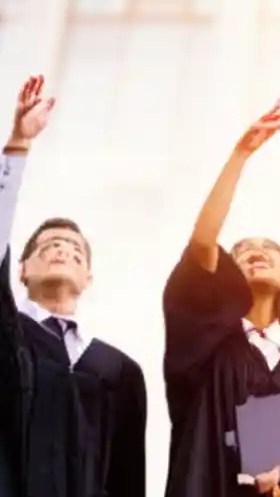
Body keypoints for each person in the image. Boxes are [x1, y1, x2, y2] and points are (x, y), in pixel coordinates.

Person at [163, 101, 280, 497]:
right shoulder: (205, 351)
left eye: (268, 249)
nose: (257, 253)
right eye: (244, 251)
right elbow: (203, 245)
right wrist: (240, 155)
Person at [0, 75, 146, 497]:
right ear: (20, 268)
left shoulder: (118, 371)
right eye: (48, 246)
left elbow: (126, 480)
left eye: (75, 250)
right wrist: (18, 144)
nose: (62, 249)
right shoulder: (8, 334)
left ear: (89, 279)